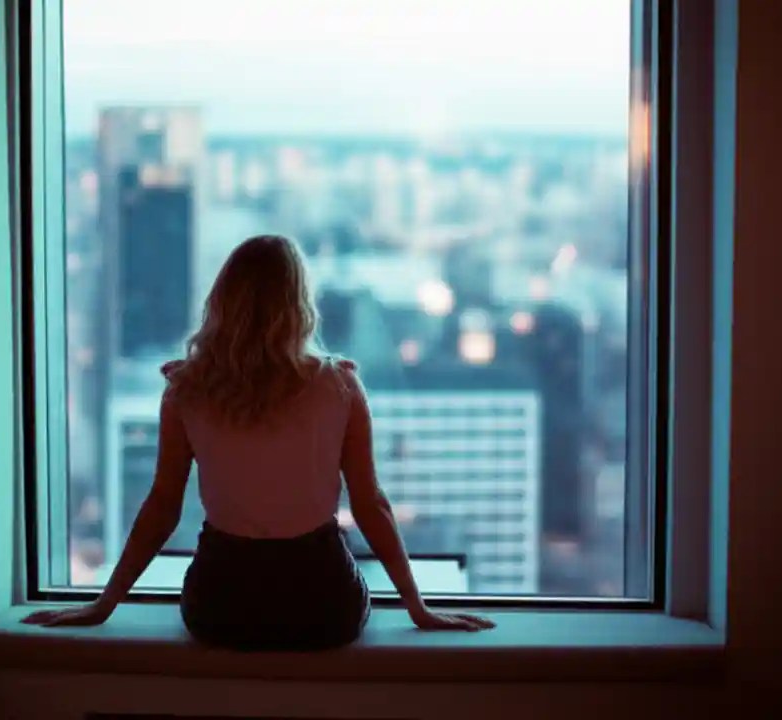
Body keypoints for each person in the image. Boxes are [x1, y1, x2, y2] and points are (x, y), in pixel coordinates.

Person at [24, 234, 495, 649]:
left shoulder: (188, 390)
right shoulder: (338, 386)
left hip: (220, 609)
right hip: (323, 609)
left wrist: (104, 604)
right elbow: (370, 504)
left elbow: (161, 506)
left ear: (223, 301)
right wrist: (418, 608)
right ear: (299, 305)